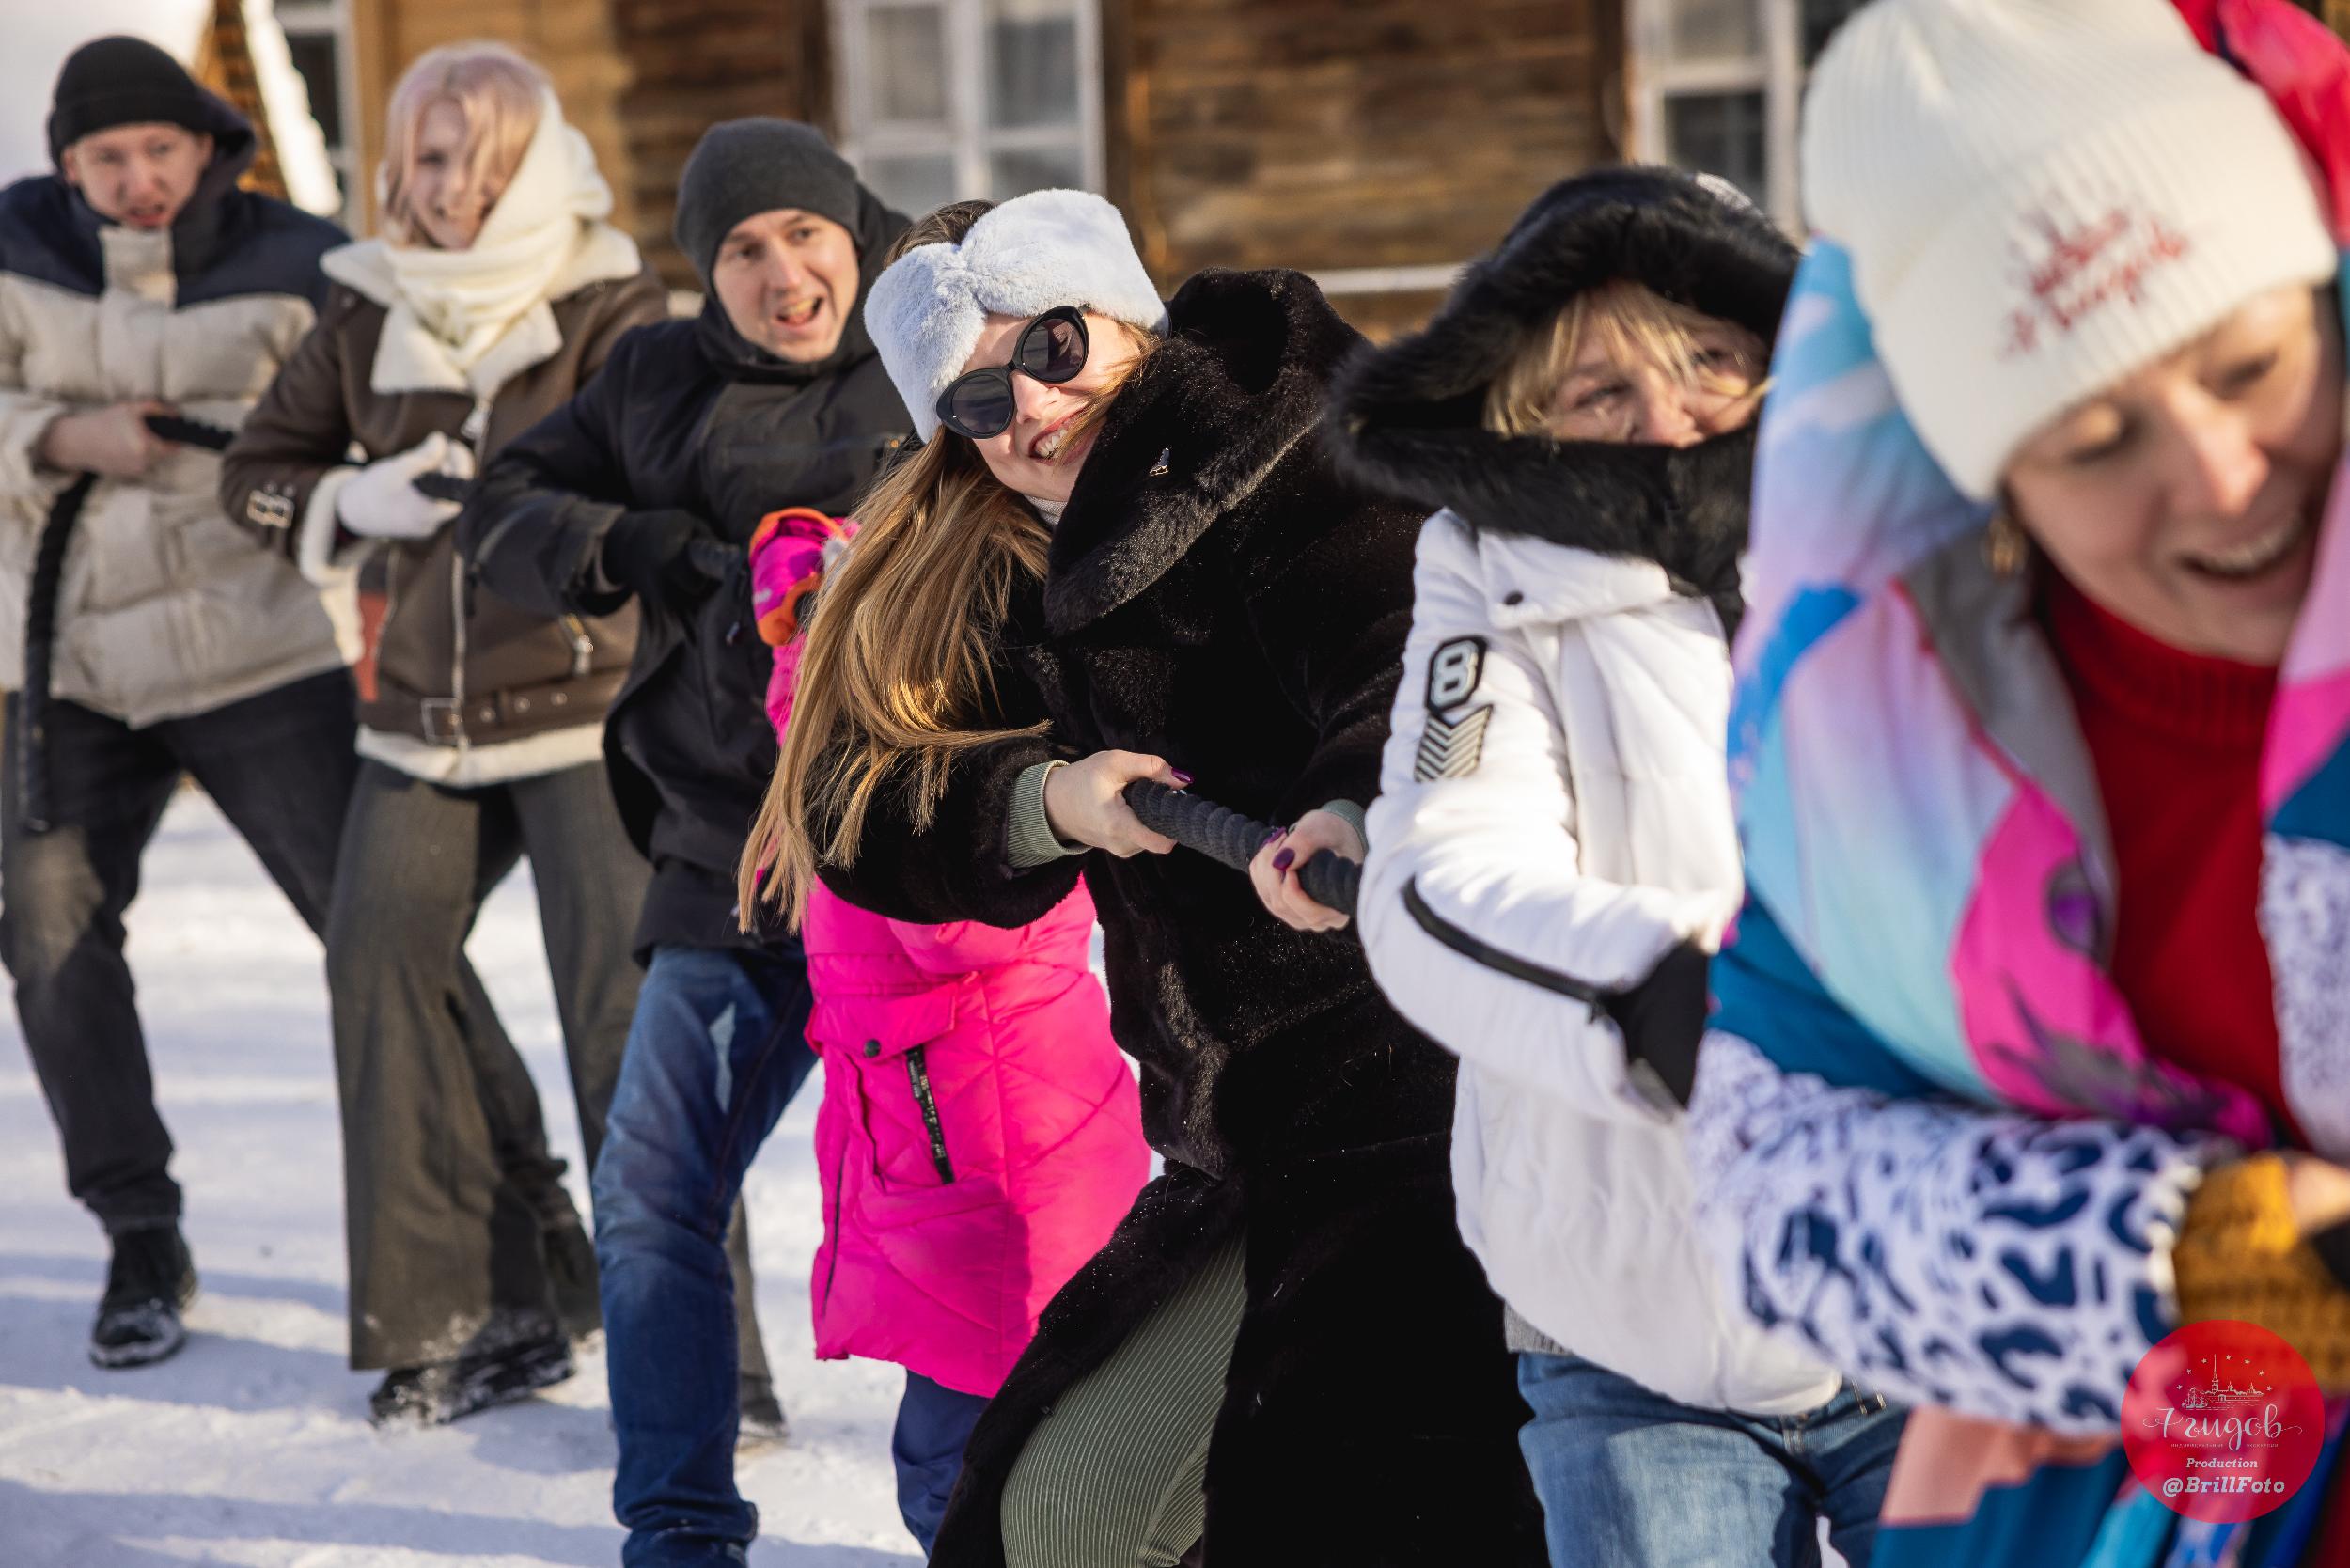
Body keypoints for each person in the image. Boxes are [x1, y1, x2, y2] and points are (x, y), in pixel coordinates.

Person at [750, 188, 1543, 1568]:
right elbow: (847, 803)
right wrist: (1047, 802)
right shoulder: (1006, 547)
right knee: (1056, 1521)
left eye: (1053, 347)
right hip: (1251, 1150)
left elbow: (1405, 648)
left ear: (1121, 311)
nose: (1030, 412)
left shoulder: (1300, 449)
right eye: (977, 398)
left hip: (1441, 1104)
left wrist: (1358, 803)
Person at [1684, 0, 2350, 1561]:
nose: (2221, 475)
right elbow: (1775, 1179)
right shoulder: (1906, 760)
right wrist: (2167, 1256)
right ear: (1986, 465)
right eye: (2096, 437)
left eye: (2253, 362)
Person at [1333, 165, 1908, 1568]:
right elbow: (1434, 878)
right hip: (1628, 1314)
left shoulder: (1919, 534)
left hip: (1930, 1296)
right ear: (1526, 415)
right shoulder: (1490, 572)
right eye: (1601, 393)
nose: (1667, 423)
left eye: (1706, 363)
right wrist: (1665, 997)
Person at [456, 118, 909, 1564]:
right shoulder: (652, 379)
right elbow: (499, 508)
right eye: (742, 250)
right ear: (704, 273)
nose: (784, 274)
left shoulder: (933, 345)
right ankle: (679, 1529)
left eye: (806, 236)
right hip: (734, 859)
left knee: (949, 1223)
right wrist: (627, 545)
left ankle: (985, 1523)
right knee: (651, 1194)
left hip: (924, 873)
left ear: (856, 230)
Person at [219, 42, 669, 1425]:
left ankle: (687, 1350)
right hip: (420, 721)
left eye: (484, 161)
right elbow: (256, 477)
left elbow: (658, 483)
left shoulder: (612, 301)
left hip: (590, 710)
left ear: (534, 166)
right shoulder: (361, 309)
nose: (453, 190)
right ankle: (468, 1312)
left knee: (622, 1022)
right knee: (378, 965)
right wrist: (357, 504)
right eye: (429, 158)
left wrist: (533, 520)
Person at [0, 36, 349, 1370]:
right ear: (66, 164)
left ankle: (516, 1201)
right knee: (47, 936)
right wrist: (52, 435)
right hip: (64, 665)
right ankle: (137, 1227)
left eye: (161, 151)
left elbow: (366, 417)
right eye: (108, 159)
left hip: (253, 652)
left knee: (374, 930)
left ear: (208, 143)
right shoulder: (12, 249)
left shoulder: (300, 259)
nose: (138, 181)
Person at [743, 506, 1150, 1554]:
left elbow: (957, 918)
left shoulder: (955, 762)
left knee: (983, 1477)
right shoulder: (849, 744)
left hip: (1002, 1156)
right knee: (953, 1466)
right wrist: (804, 590)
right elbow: (815, 741)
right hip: (935, 1145)